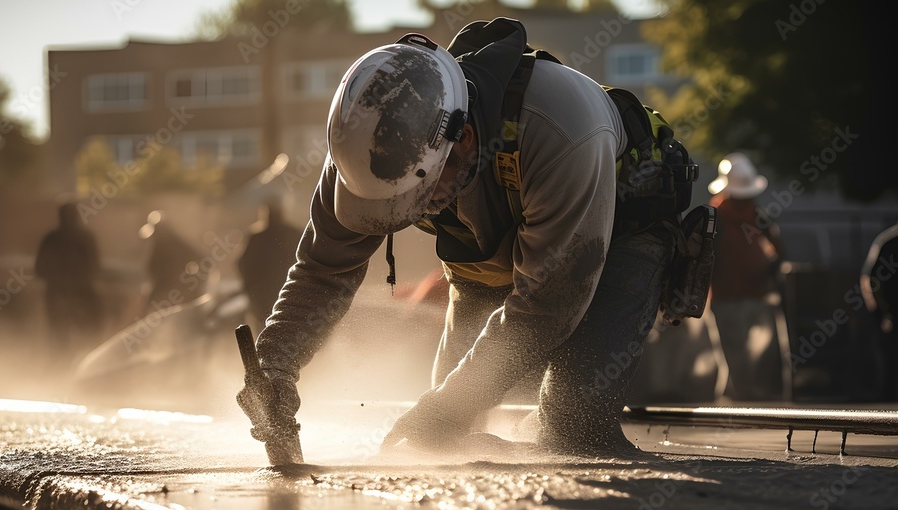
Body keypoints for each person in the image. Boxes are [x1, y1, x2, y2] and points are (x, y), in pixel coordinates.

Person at [238, 18, 686, 461]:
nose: (414, 212)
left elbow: (549, 304)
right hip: (492, 254)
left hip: (620, 234)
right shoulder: (369, 148)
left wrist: (445, 409)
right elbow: (322, 270)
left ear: (464, 139)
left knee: (573, 423)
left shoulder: (560, 129)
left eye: (423, 194)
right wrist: (276, 364)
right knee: (440, 442)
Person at [707, 153, 792, 401]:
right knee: (740, 352)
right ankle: (741, 397)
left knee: (739, 353)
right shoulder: (728, 215)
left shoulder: (723, 214)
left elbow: (779, 249)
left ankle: (736, 396)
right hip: (736, 294)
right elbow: (780, 249)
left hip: (741, 294)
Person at [35, 202, 104, 368]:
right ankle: (71, 368)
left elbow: (39, 269)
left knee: (72, 336)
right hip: (72, 295)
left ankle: (73, 368)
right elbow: (95, 268)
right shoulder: (82, 238)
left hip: (73, 295)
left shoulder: (54, 239)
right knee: (70, 337)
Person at [238, 200, 304, 333]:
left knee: (267, 329)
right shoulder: (294, 234)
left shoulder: (257, 237)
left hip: (273, 293)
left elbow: (243, 264)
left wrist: (249, 288)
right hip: (283, 292)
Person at [860, 222, 898, 401]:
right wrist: (879, 312)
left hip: (889, 315)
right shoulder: (889, 243)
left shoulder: (887, 242)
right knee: (889, 365)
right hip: (892, 315)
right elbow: (870, 280)